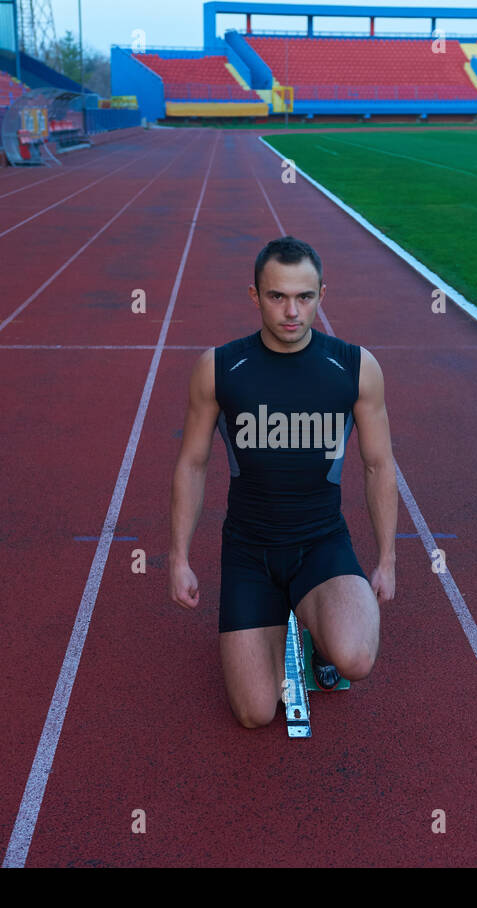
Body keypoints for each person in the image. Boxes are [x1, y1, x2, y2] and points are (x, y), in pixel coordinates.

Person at [169, 236, 397, 729]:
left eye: (304, 297)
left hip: (320, 543)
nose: (292, 311)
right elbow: (192, 462)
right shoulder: (219, 368)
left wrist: (386, 560)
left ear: (321, 295)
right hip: (249, 550)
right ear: (255, 295)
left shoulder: (357, 368)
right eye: (277, 296)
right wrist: (179, 557)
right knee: (254, 713)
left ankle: (319, 629)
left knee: (356, 658)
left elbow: (379, 464)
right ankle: (280, 619)